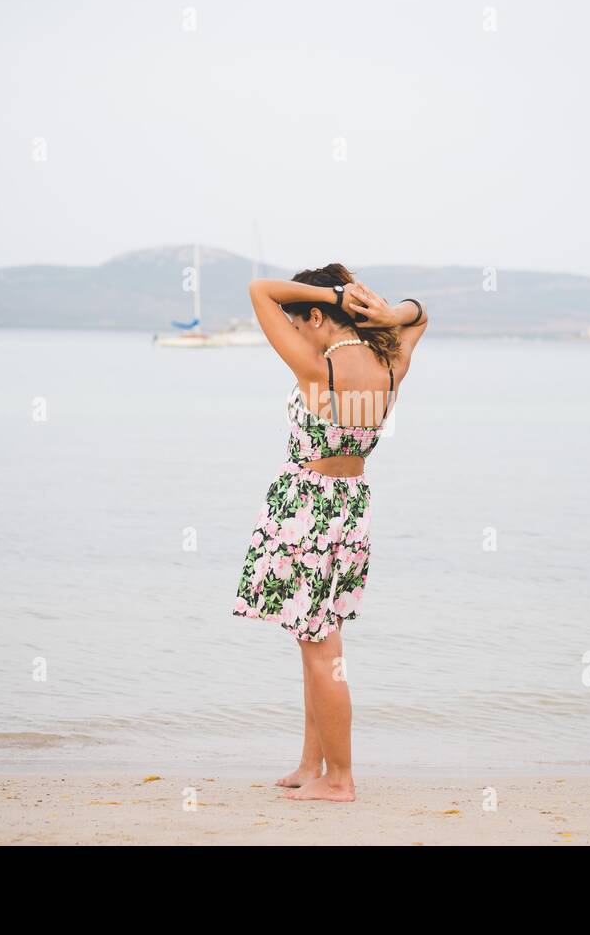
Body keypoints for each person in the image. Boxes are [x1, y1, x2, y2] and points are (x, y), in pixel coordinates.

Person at [232, 262, 428, 802]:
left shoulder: (320, 370)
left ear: (317, 315)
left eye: (299, 323)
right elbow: (419, 316)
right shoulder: (391, 367)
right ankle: (310, 763)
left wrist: (335, 292)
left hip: (307, 509)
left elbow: (258, 290)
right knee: (314, 641)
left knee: (321, 651)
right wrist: (389, 312)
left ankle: (340, 779)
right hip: (349, 509)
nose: (294, 334)